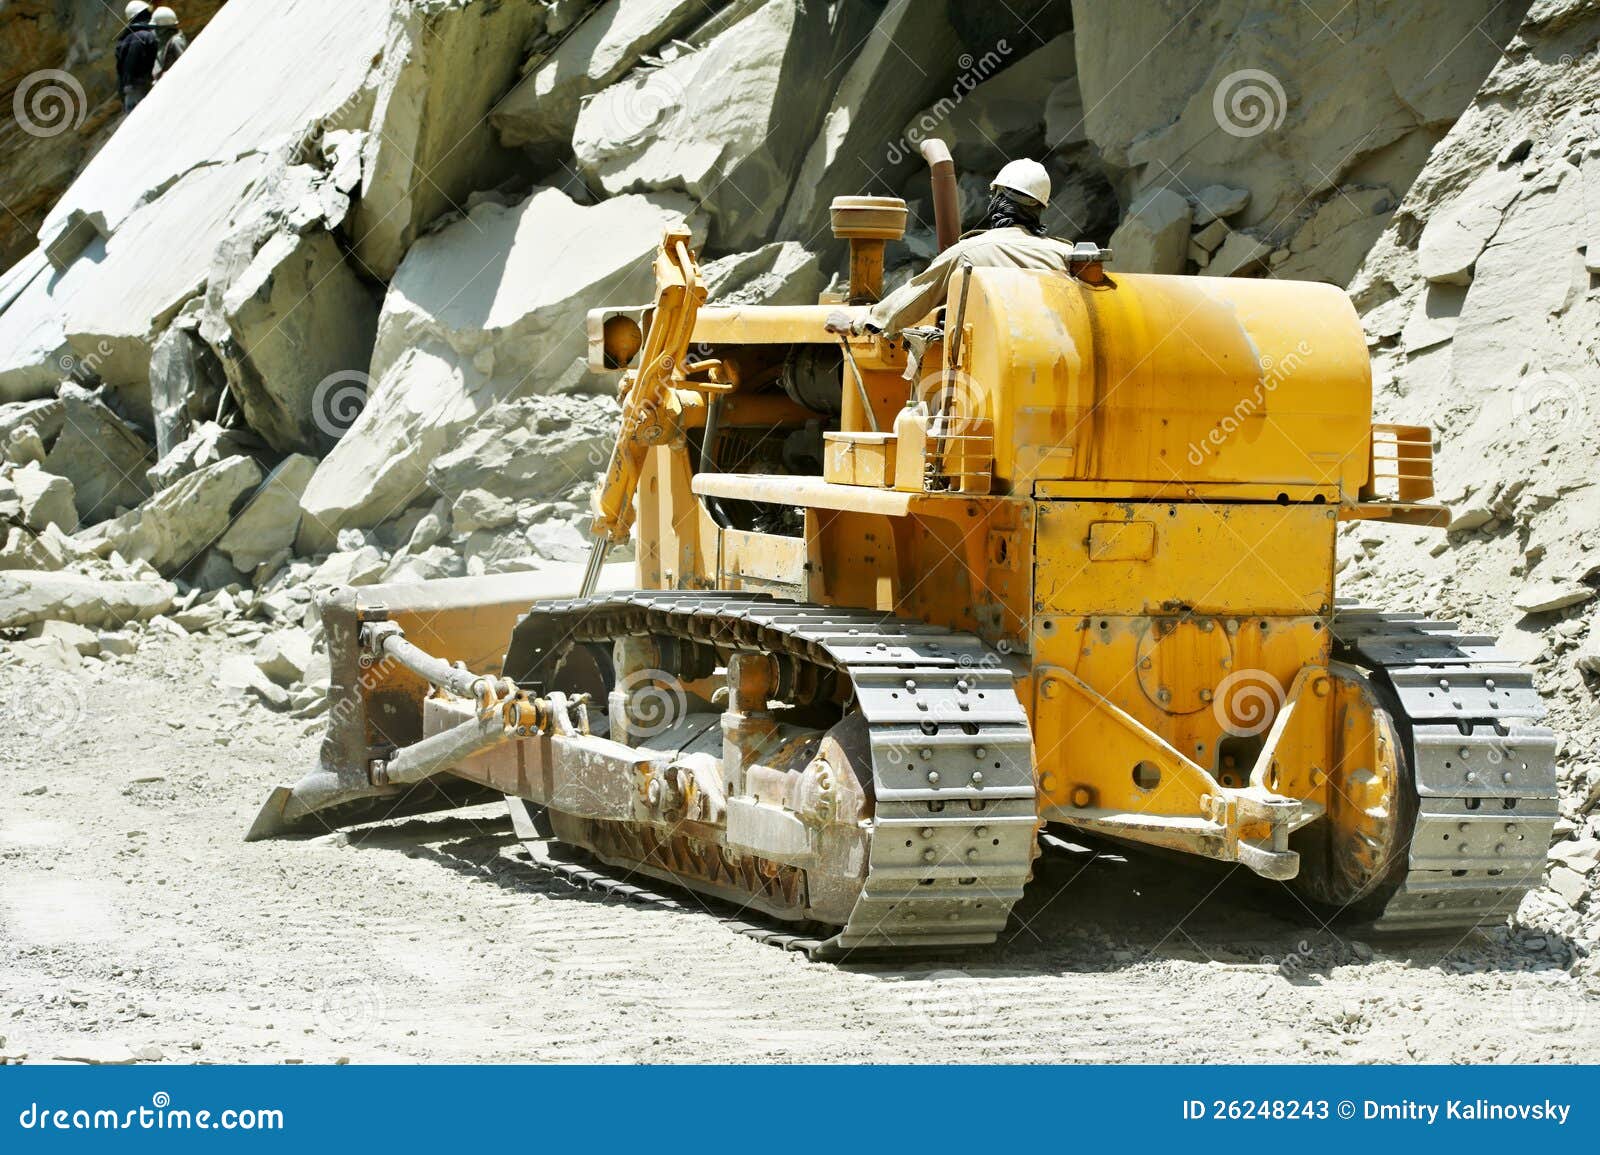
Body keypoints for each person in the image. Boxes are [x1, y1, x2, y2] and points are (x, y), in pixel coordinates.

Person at [828, 159, 1096, 339]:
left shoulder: (969, 252)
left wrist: (857, 323)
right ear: (1040, 207)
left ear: (997, 199)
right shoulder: (1065, 256)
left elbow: (911, 299)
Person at [115, 2, 159, 112]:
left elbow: (120, 72)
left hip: (128, 95)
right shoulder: (147, 36)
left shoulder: (123, 42)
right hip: (144, 90)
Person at [151, 7, 188, 83]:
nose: (154, 31)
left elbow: (185, 65)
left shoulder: (176, 40)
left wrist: (170, 73)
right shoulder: (163, 42)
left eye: (157, 28)